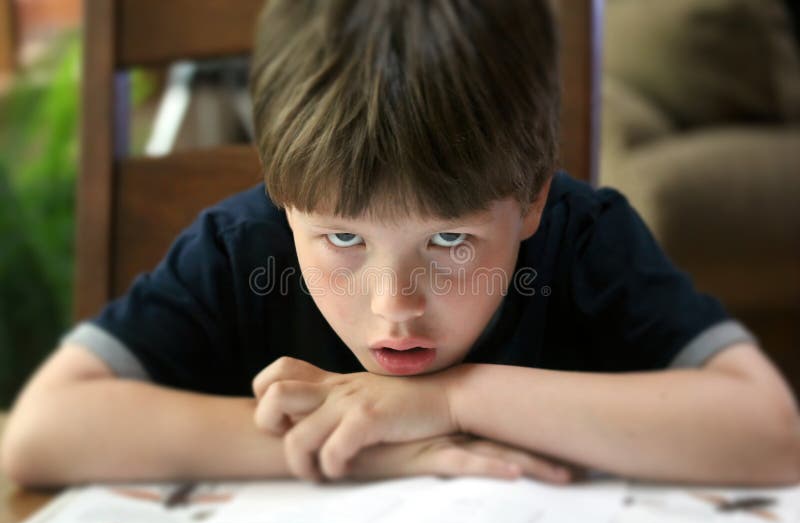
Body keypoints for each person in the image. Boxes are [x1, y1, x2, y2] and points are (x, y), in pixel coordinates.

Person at [2, 0, 798, 488]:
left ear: (528, 202)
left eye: (449, 237)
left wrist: (451, 400)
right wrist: (366, 444)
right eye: (342, 236)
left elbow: (770, 433)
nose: (395, 308)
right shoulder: (244, 247)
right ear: (287, 205)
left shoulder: (584, 241)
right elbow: (36, 435)